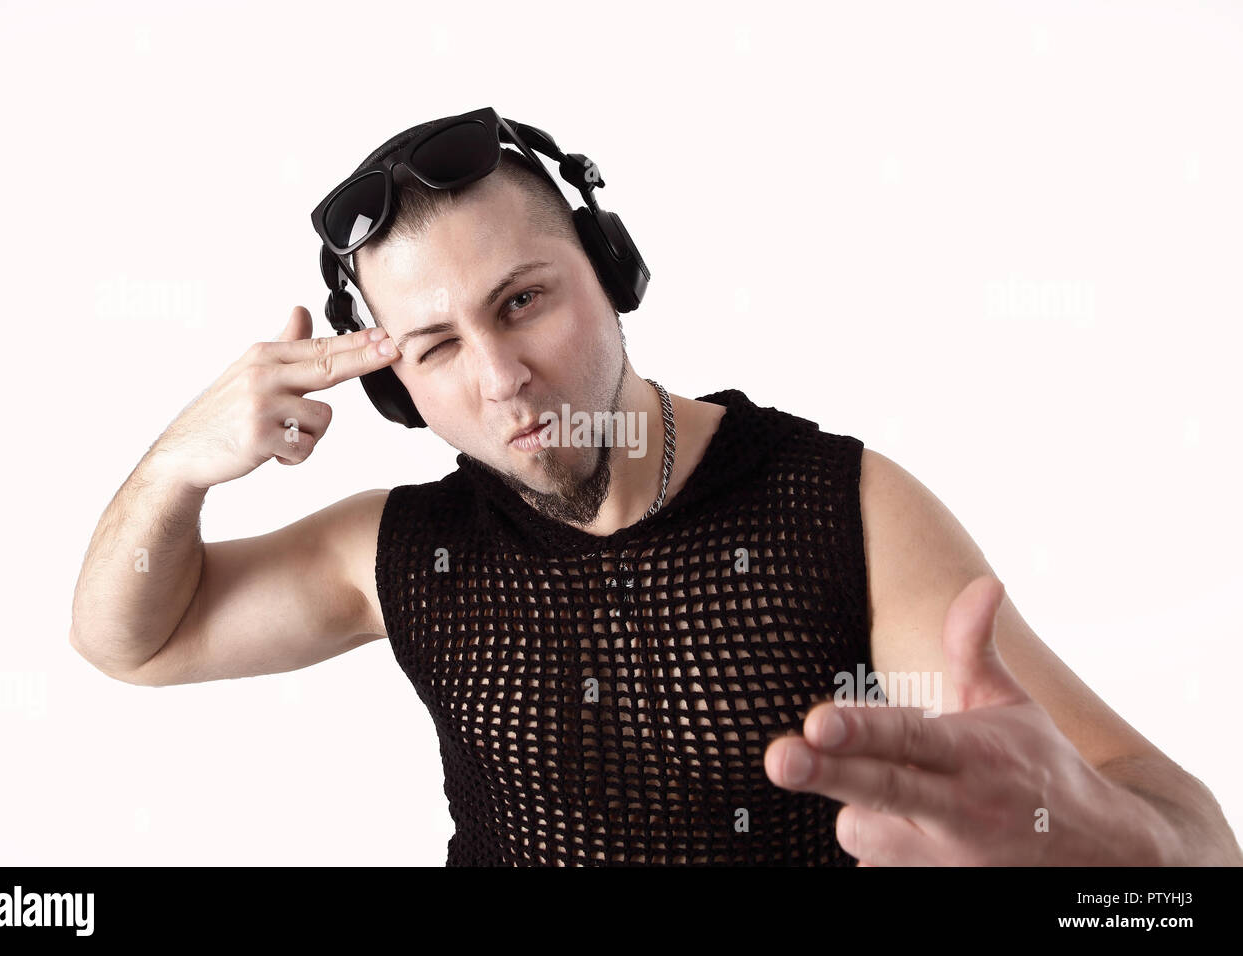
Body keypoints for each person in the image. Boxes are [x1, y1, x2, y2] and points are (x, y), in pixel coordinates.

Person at [69, 108, 1241, 867]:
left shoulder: (846, 511)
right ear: (396, 389)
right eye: (432, 347)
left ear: (611, 272)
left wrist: (1084, 833)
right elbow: (136, 638)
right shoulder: (398, 554)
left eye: (523, 299)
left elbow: (1194, 838)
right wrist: (177, 468)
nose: (500, 375)